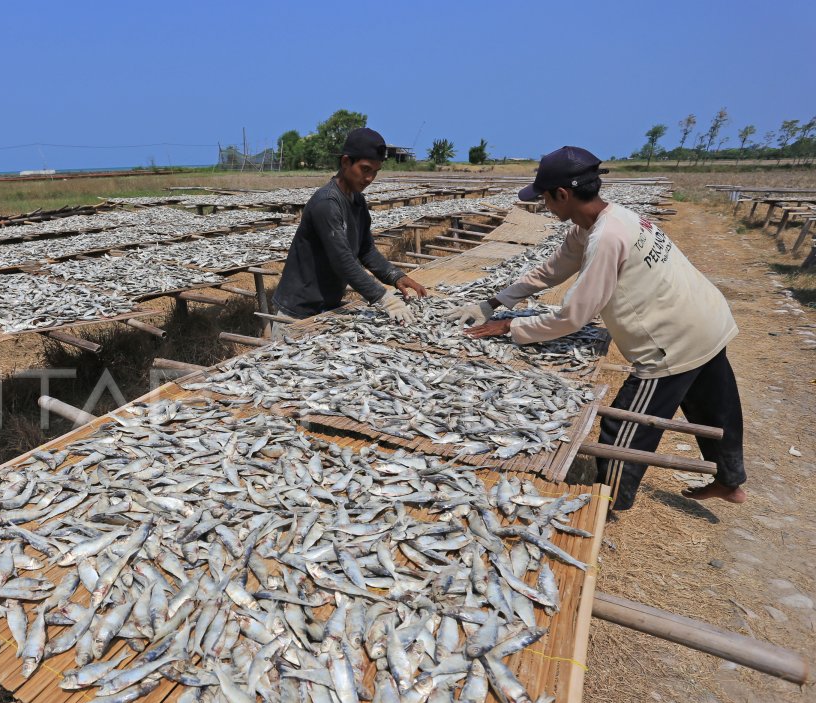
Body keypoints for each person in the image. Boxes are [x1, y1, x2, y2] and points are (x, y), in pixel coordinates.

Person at [451, 146, 747, 513]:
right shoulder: (610, 218)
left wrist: (512, 328)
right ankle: (730, 481)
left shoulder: (606, 238)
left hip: (671, 341)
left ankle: (608, 505)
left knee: (624, 431)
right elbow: (554, 267)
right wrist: (496, 302)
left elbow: (574, 316)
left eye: (545, 199)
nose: (544, 206)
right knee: (716, 406)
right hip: (708, 319)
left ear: (563, 194)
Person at [272, 127, 427, 323]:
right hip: (297, 312)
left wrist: (395, 276)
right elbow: (343, 260)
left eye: (375, 172)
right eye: (365, 169)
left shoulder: (357, 201)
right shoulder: (327, 203)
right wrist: (385, 299)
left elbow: (366, 250)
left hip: (326, 308)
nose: (370, 178)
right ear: (346, 162)